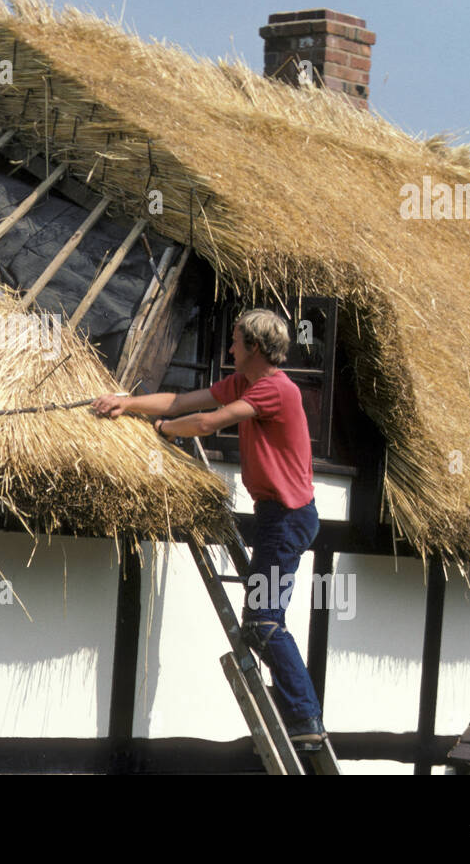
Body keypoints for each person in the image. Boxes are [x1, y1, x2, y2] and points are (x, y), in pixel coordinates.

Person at [91, 308, 326, 750]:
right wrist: (128, 404)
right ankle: (299, 714)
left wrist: (163, 431)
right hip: (276, 517)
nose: (229, 347)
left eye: (235, 341)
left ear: (254, 347)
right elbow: (183, 403)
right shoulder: (244, 383)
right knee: (262, 621)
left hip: (287, 518)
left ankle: (305, 719)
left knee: (262, 622)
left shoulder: (278, 390)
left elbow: (205, 422)